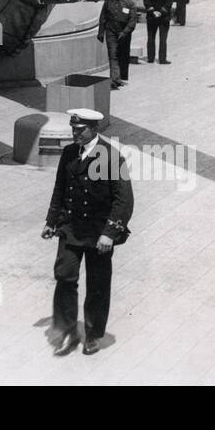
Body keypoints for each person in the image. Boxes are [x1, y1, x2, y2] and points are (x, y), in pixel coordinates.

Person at [41, 109, 134, 357]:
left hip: (98, 233)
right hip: (71, 228)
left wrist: (109, 234)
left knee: (98, 285)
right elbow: (60, 188)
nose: (75, 134)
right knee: (64, 277)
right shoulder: (70, 152)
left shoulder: (113, 158)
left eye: (80, 130)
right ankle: (67, 330)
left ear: (94, 129)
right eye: (73, 129)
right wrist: (51, 222)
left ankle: (92, 335)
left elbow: (124, 201)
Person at [96, 0, 138, 90]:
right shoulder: (108, 2)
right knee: (113, 54)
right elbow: (103, 17)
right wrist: (101, 32)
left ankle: (119, 78)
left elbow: (132, 21)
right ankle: (114, 80)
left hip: (124, 32)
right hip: (111, 31)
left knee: (123, 55)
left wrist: (125, 32)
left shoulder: (130, 3)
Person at [143, 0, 174, 65]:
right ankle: (162, 59)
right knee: (163, 39)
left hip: (151, 16)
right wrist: (162, 11)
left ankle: (150, 58)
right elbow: (169, 1)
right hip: (164, 17)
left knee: (151, 37)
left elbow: (146, 0)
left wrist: (152, 11)